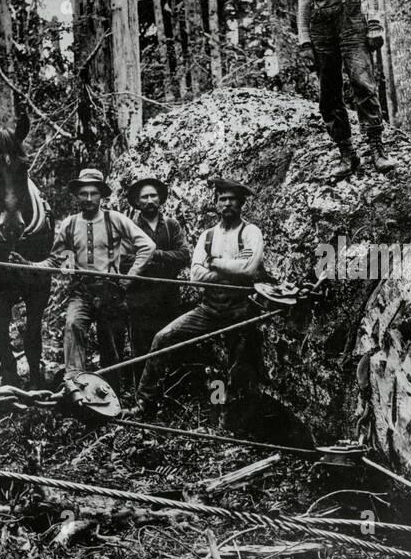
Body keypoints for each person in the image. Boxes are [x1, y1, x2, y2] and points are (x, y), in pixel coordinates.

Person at [135, 178, 266, 420]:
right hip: (209, 309)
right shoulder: (207, 235)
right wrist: (230, 271)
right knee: (163, 337)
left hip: (240, 310)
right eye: (222, 199)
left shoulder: (250, 233)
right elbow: (196, 275)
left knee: (240, 366)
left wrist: (214, 263)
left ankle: (234, 420)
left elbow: (248, 269)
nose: (227, 204)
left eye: (232, 199)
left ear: (241, 204)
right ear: (215, 203)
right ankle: (145, 402)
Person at [295, 0, 397, 179]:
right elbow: (304, 6)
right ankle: (346, 153)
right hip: (321, 31)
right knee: (329, 94)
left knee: (362, 83)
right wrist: (305, 42)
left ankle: (376, 148)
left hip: (352, 24)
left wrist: (374, 25)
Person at [18, 168, 153, 375]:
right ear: (77, 196)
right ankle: (75, 386)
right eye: (83, 193)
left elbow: (147, 245)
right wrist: (29, 265)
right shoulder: (69, 225)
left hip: (111, 292)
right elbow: (55, 260)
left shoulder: (115, 219)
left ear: (101, 195)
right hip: (81, 292)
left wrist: (130, 276)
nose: (89, 198)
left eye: (94, 193)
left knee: (110, 347)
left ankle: (110, 396)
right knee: (73, 327)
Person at [122, 174, 191, 389]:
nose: (150, 200)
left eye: (154, 196)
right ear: (137, 202)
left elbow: (184, 255)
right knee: (141, 348)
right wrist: (160, 260)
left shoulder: (172, 225)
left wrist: (153, 255)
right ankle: (142, 395)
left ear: (160, 199)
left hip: (168, 296)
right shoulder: (129, 227)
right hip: (139, 297)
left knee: (170, 343)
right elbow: (124, 261)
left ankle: (169, 392)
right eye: (144, 197)